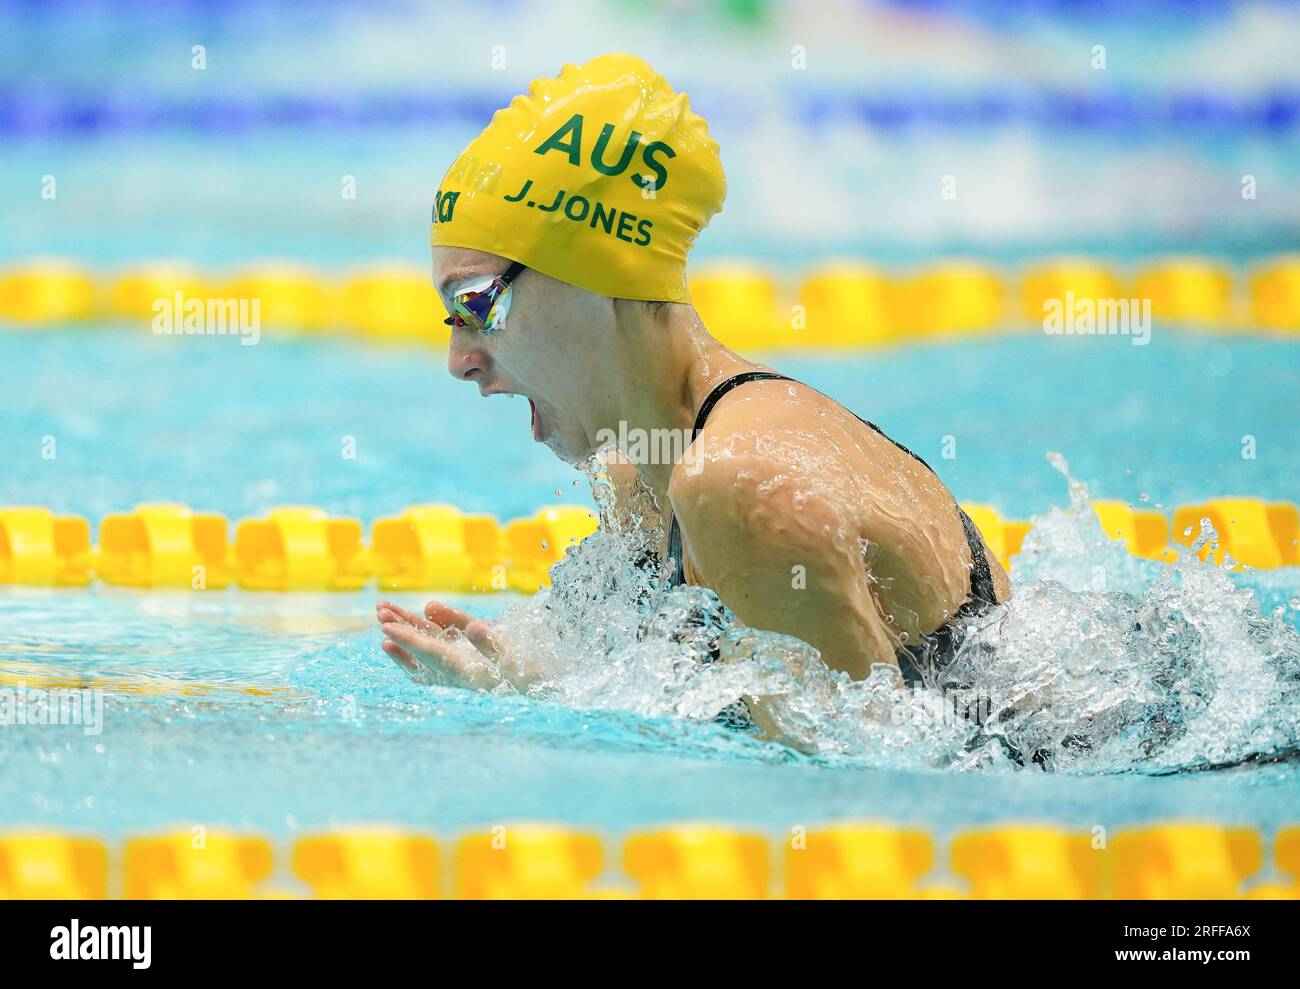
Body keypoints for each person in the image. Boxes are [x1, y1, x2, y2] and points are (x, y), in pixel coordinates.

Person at [377, 53, 1011, 735]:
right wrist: (535, 685)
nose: (459, 360)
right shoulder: (641, 468)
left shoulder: (739, 481)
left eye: (475, 303)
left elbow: (857, 797)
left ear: (594, 273)